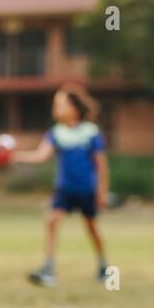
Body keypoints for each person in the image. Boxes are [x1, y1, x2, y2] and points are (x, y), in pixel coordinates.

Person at [14, 84, 111, 287]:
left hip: (86, 189)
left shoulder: (90, 133)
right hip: (64, 188)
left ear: (75, 108)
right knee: (52, 221)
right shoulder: (56, 133)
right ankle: (48, 269)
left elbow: (101, 165)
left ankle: (103, 266)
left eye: (60, 104)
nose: (56, 108)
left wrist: (102, 191)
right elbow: (41, 156)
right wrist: (15, 156)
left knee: (92, 228)